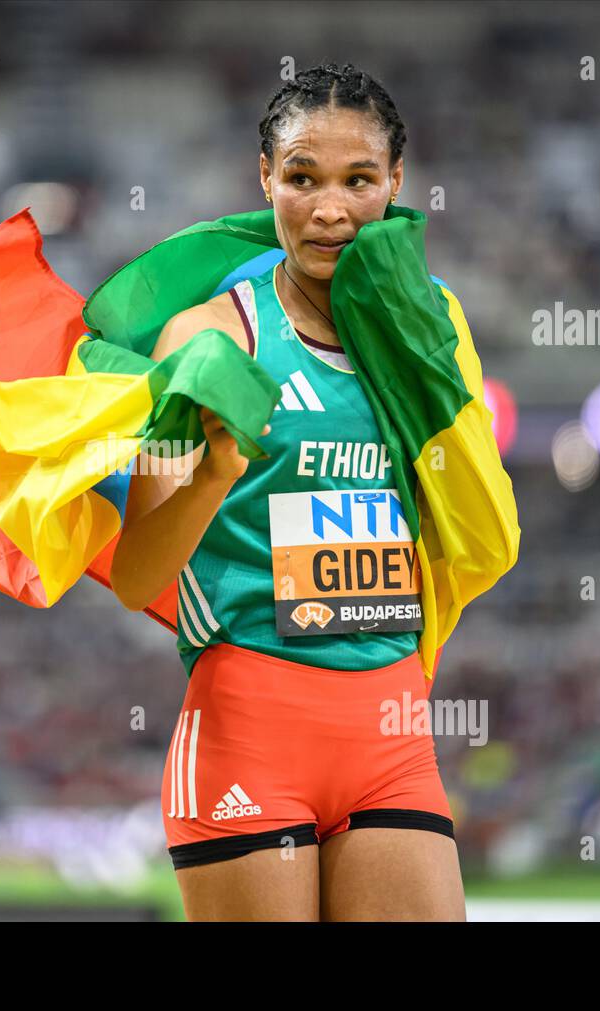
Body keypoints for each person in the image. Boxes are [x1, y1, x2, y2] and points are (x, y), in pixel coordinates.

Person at [110, 64, 480, 922]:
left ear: (396, 181)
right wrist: (211, 477)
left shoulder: (430, 331)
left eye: (359, 180)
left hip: (391, 735)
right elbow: (136, 574)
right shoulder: (202, 340)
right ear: (265, 178)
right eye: (303, 178)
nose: (330, 210)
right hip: (249, 740)